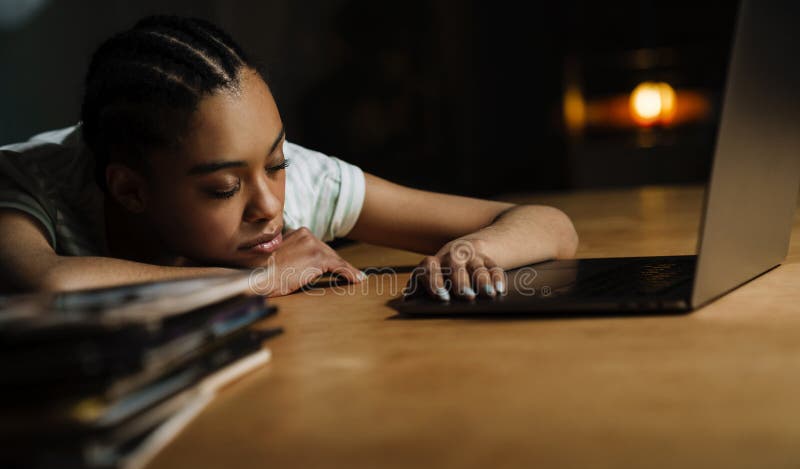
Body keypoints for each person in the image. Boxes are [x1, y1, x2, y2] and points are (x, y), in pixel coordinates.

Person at [0, 15, 578, 300]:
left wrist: (472, 250)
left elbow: (550, 226)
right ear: (129, 190)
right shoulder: (27, 181)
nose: (271, 202)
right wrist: (260, 280)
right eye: (225, 187)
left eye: (275, 162)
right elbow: (50, 284)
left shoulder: (299, 185)